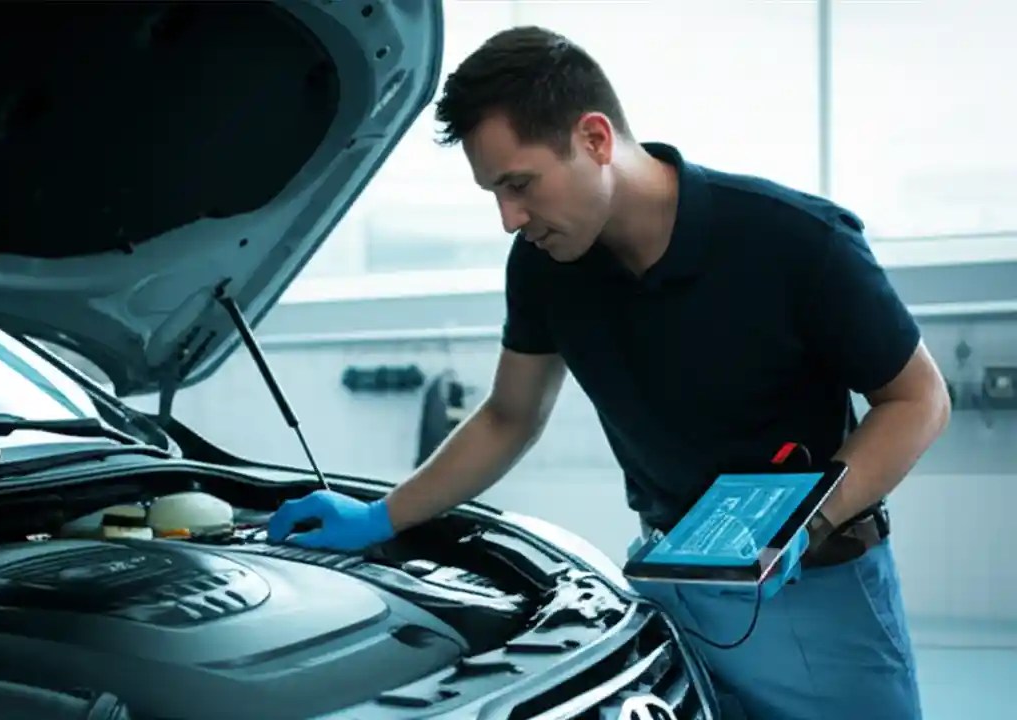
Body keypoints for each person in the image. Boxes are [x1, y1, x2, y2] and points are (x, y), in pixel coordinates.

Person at [266, 26, 950, 720]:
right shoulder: (544, 266)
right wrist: (383, 514)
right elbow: (510, 416)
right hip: (667, 593)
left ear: (594, 139)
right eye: (493, 193)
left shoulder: (796, 241)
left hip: (816, 597)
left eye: (518, 184)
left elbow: (918, 398)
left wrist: (806, 525)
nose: (508, 218)